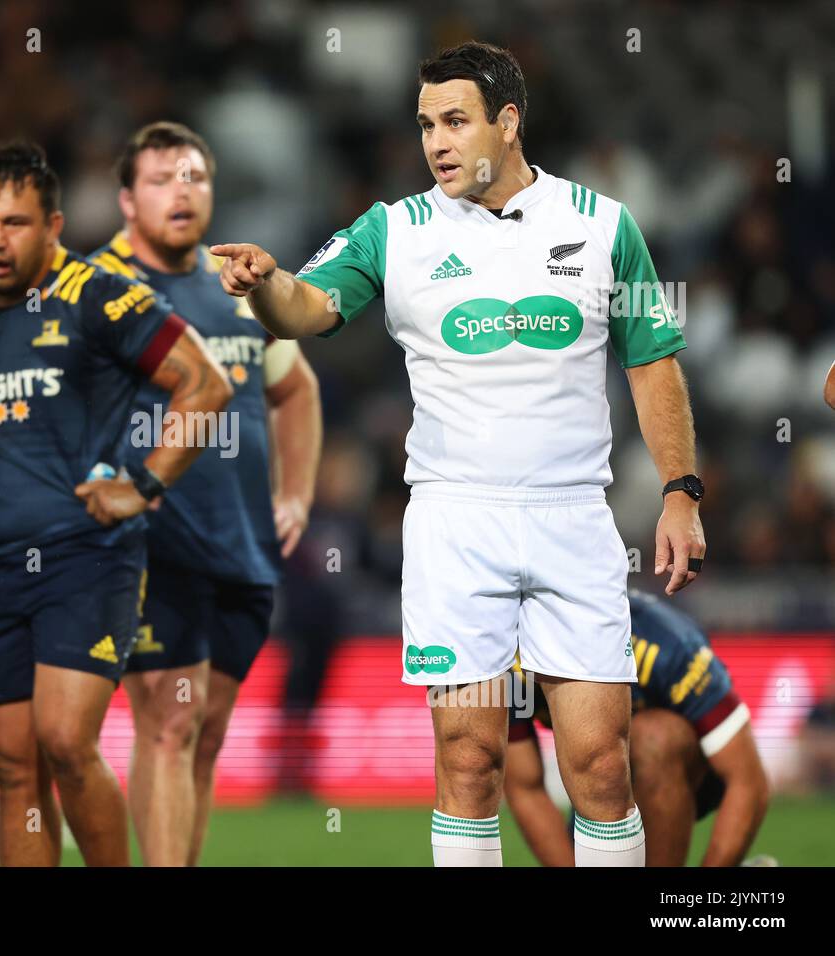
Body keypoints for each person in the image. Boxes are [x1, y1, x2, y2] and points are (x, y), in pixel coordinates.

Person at [213, 40, 706, 866]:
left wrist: (681, 491)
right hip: (454, 527)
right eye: (424, 125)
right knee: (470, 761)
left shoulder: (602, 227)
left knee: (597, 765)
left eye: (454, 121)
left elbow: (652, 360)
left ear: (507, 123)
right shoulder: (395, 230)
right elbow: (302, 310)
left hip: (573, 522)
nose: (436, 142)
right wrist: (266, 283)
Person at [0, 141, 231, 866]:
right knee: (16, 773)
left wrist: (143, 485)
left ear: (52, 226)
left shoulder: (100, 296)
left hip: (87, 557)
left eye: (13, 223)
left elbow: (207, 385)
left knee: (66, 742)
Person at [90, 121, 321, 865]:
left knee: (206, 730)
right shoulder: (95, 288)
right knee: (168, 723)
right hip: (153, 543)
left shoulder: (241, 287)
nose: (181, 192)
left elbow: (297, 390)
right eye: (161, 179)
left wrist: (297, 496)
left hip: (243, 543)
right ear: (126, 200)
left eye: (194, 177)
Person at [505, 590, 769, 866]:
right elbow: (526, 788)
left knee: (653, 737)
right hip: (601, 781)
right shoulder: (516, 663)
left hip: (686, 773)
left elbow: (748, 781)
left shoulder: (667, 644)